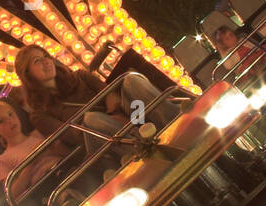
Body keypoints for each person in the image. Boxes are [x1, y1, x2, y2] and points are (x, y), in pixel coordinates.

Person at [13, 45, 174, 155]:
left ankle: (173, 120)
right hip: (104, 139)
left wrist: (115, 111)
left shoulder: (79, 76)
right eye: (37, 61)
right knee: (91, 119)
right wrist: (106, 120)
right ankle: (143, 148)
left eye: (46, 56)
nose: (46, 61)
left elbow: (109, 92)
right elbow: (73, 135)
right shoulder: (40, 114)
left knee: (130, 80)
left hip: (133, 117)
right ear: (28, 75)